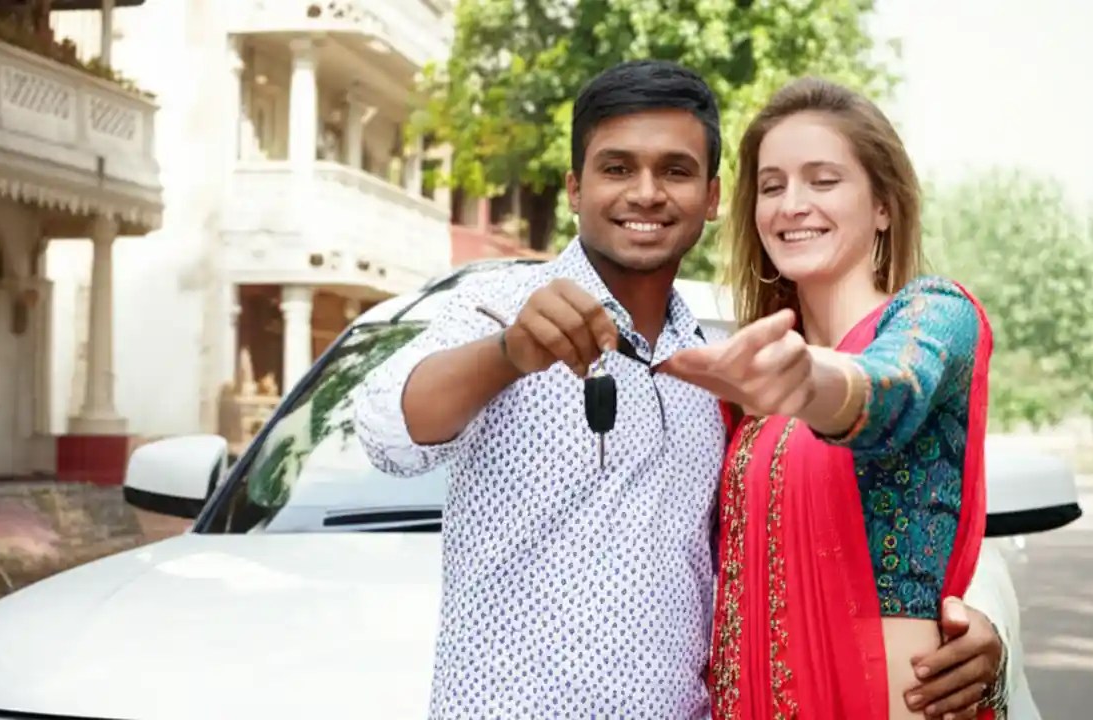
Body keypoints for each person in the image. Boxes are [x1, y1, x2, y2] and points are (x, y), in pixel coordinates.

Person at [356, 61, 1012, 718]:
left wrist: (977, 625)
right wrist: (508, 354)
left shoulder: (720, 375)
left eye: (674, 170)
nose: (645, 193)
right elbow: (385, 429)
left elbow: (878, 473)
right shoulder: (500, 307)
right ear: (574, 189)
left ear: (712, 196)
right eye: (616, 169)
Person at [659, 76, 1004, 720]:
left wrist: (809, 384)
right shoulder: (747, 385)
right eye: (771, 185)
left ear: (883, 205)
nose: (792, 204)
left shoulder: (935, 316)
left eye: (823, 180)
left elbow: (889, 394)